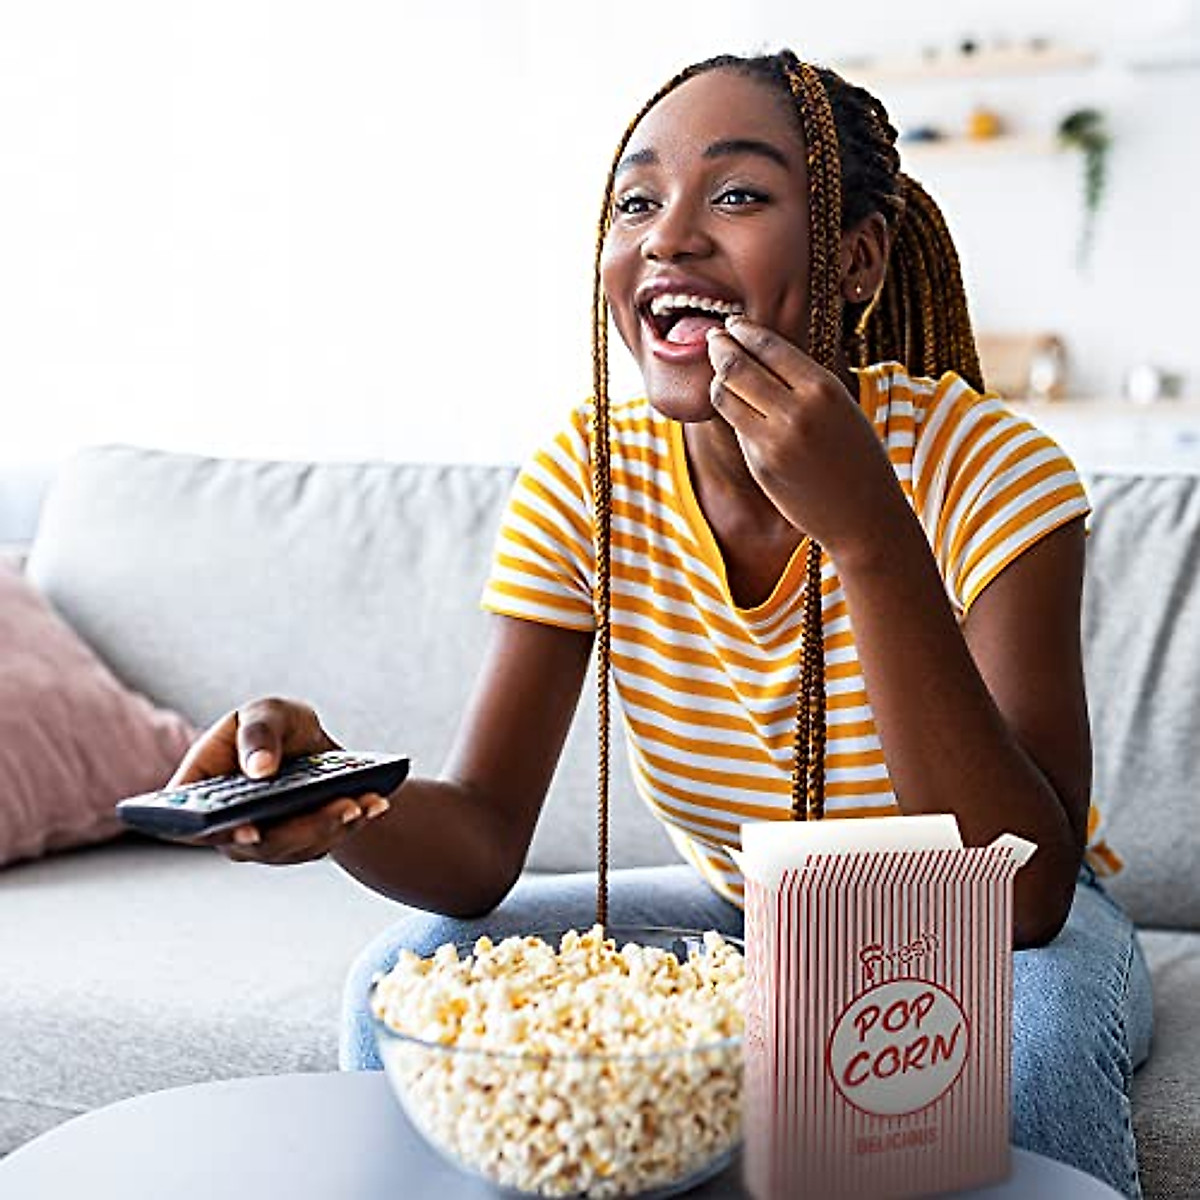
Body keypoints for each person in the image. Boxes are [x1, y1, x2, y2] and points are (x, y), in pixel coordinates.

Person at [168, 50, 1152, 1197]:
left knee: (1025, 1057)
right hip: (750, 912)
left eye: (735, 194)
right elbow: (481, 840)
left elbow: (1024, 898)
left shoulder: (987, 468)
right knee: (409, 975)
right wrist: (336, 796)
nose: (669, 239)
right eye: (636, 202)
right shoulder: (590, 475)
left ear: (854, 258)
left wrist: (869, 538)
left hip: (1001, 935)